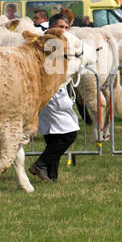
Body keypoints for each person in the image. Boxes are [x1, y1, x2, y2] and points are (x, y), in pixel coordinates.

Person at [29, 14, 79, 182]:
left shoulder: (60, 44)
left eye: (66, 27)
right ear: (51, 27)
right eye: (60, 27)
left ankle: (51, 176)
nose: (64, 31)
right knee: (69, 133)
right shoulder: (50, 44)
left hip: (53, 92)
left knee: (54, 137)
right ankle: (40, 164)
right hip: (51, 92)